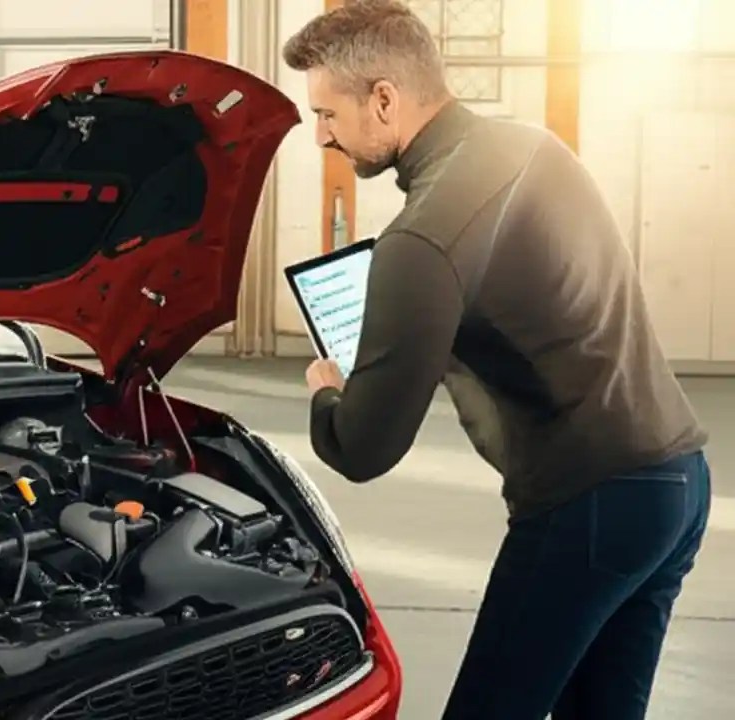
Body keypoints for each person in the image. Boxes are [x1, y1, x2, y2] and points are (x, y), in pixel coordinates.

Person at [280, 2, 712, 719]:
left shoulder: (419, 240)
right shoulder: (530, 146)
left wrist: (328, 391)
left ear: (383, 99)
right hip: (678, 484)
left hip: (591, 502)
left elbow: (363, 448)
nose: (320, 135)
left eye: (326, 114)